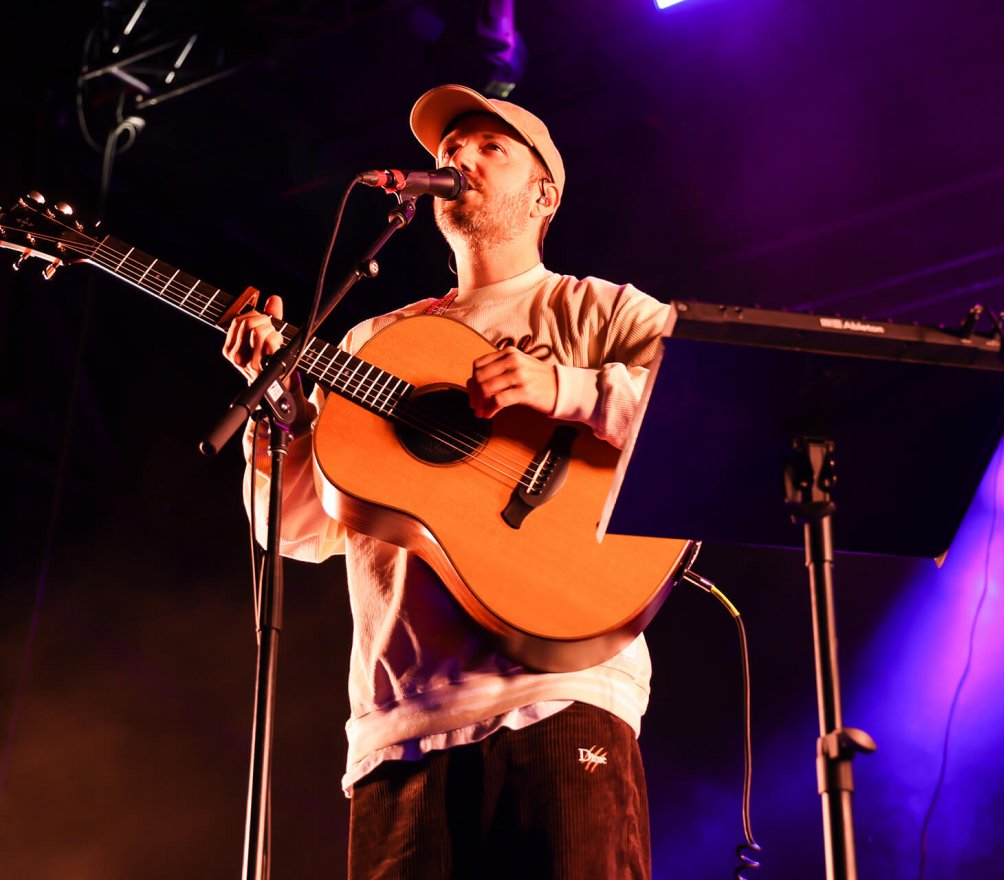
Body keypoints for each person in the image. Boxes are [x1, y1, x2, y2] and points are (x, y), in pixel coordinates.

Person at [222, 84, 672, 879]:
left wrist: (561, 390)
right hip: (400, 734)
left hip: (561, 699)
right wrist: (274, 421)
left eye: (486, 146)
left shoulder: (596, 309)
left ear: (544, 193)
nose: (455, 158)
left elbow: (707, 414)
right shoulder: (372, 339)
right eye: (445, 151)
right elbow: (295, 528)